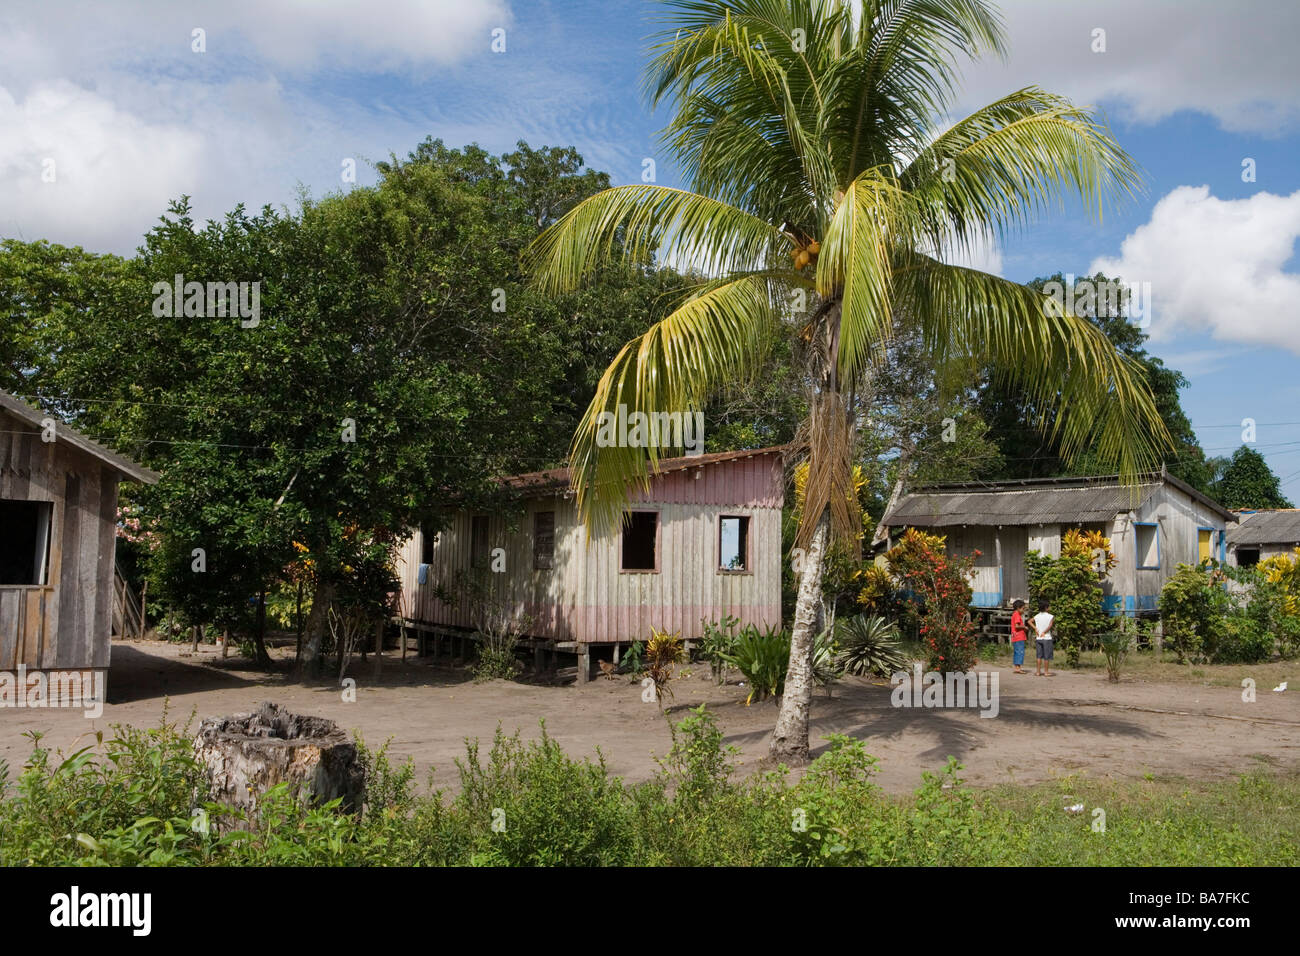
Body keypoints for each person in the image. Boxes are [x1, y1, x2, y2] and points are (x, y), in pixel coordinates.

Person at [1032, 599, 1055, 676]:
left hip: (1038, 638)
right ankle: (1046, 672)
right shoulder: (1050, 616)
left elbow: (1029, 621)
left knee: (1039, 656)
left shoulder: (1037, 616)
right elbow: (1050, 626)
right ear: (1046, 608)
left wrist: (1035, 628)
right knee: (1046, 656)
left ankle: (1038, 672)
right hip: (1047, 638)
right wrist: (1044, 632)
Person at [1009, 599, 1029, 673]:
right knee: (1020, 652)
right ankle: (1018, 668)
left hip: (1015, 637)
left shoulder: (1014, 614)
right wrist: (1024, 627)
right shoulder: (1017, 615)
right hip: (1019, 637)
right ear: (1018, 608)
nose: (1024, 610)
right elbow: (1017, 626)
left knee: (1017, 652)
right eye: (1023, 608)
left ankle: (1017, 667)